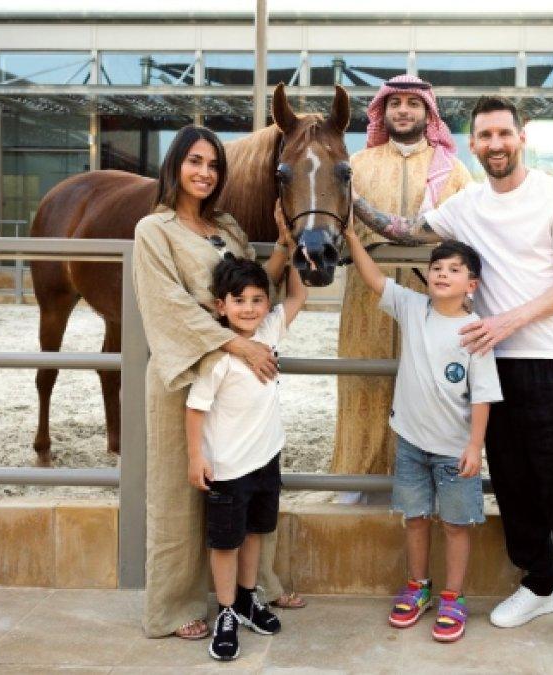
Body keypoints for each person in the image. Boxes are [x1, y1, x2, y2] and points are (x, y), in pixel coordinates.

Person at [351, 95, 553, 671]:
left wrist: (505, 321)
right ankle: (539, 583)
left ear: (522, 138)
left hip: (551, 362)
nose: (495, 144)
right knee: (516, 485)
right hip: (489, 369)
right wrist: (342, 198)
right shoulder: (465, 204)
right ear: (471, 144)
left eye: (504, 133)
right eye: (484, 136)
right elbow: (403, 230)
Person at [132, 124, 296, 640]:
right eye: (195, 162)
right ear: (175, 165)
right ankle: (176, 605)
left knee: (247, 479)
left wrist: (286, 245)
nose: (205, 173)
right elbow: (169, 306)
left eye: (213, 165)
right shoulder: (154, 231)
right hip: (185, 375)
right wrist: (237, 345)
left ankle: (251, 591)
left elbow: (253, 283)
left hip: (239, 380)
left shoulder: (224, 225)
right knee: (183, 489)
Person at [343, 224, 501, 642]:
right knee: (414, 519)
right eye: (436, 267)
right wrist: (352, 238)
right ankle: (418, 587)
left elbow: (483, 395)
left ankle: (454, 595)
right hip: (411, 443)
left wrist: (474, 446)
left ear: (472, 283)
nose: (442, 274)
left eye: (453, 269)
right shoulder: (413, 308)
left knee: (455, 525)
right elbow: (374, 278)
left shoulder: (476, 331)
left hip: (454, 450)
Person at [333, 74, 473, 490]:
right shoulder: (357, 166)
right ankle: (357, 478)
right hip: (367, 296)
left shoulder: (454, 171)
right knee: (363, 378)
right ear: (383, 111)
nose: (404, 111)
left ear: (428, 113)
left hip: (430, 298)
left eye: (414, 104)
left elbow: (465, 234)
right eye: (395, 104)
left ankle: (417, 476)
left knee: (427, 385)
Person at [186, 253, 307, 661]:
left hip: (266, 460)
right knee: (226, 542)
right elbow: (195, 409)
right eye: (239, 300)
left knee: (256, 532)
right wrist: (194, 458)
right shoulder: (218, 358)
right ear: (221, 306)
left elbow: (297, 294)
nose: (250, 308)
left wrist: (294, 248)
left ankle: (246, 598)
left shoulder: (270, 331)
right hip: (227, 467)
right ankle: (224, 612)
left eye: (257, 300)